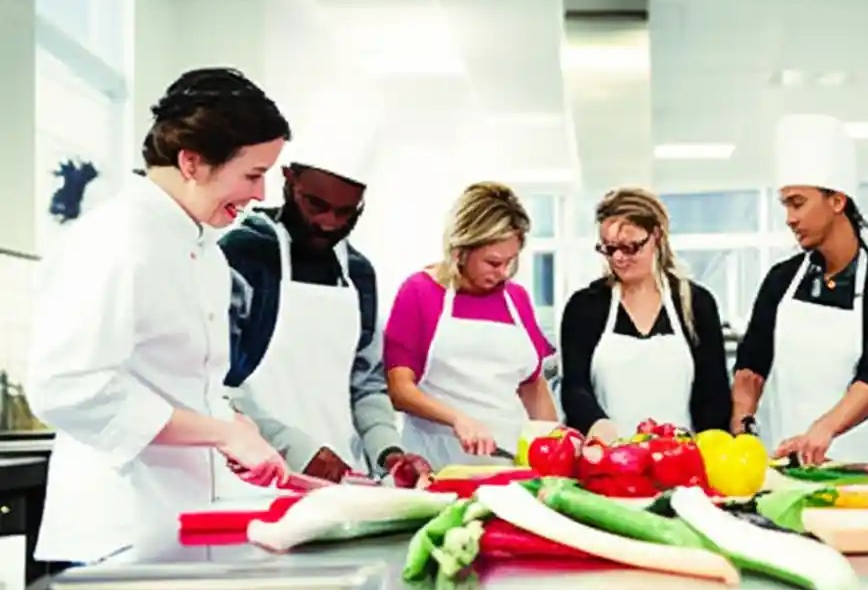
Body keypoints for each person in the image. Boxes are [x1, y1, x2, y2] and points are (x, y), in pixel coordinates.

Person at [27, 68, 292, 564]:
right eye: (253, 174)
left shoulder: (206, 251)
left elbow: (186, 383)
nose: (261, 195)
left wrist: (237, 430)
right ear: (192, 162)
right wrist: (224, 433)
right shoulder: (114, 240)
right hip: (117, 529)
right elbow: (67, 386)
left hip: (185, 520)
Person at [218, 136, 432, 493]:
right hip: (256, 479)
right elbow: (217, 386)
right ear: (289, 180)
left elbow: (366, 386)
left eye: (347, 212)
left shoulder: (359, 273)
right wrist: (295, 448)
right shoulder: (243, 255)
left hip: (345, 480)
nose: (329, 223)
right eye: (316, 204)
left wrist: (387, 451)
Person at [733, 114, 868, 466]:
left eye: (797, 203)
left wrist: (825, 428)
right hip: (776, 461)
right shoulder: (781, 280)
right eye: (785, 204)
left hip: (848, 464)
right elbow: (749, 369)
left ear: (837, 201)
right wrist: (743, 434)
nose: (789, 218)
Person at [384, 182, 558, 467]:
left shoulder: (517, 299)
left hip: (511, 465)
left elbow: (533, 387)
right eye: (493, 262)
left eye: (510, 262)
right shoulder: (419, 292)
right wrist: (458, 419)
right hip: (440, 465)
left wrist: (557, 445)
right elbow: (400, 390)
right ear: (461, 249)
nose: (503, 273)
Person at [559, 188, 731, 441]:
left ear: (656, 236)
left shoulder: (696, 304)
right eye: (609, 248)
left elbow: (713, 395)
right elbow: (575, 387)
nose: (618, 258)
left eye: (630, 247)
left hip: (680, 459)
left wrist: (711, 451)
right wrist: (595, 422)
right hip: (609, 458)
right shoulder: (585, 306)